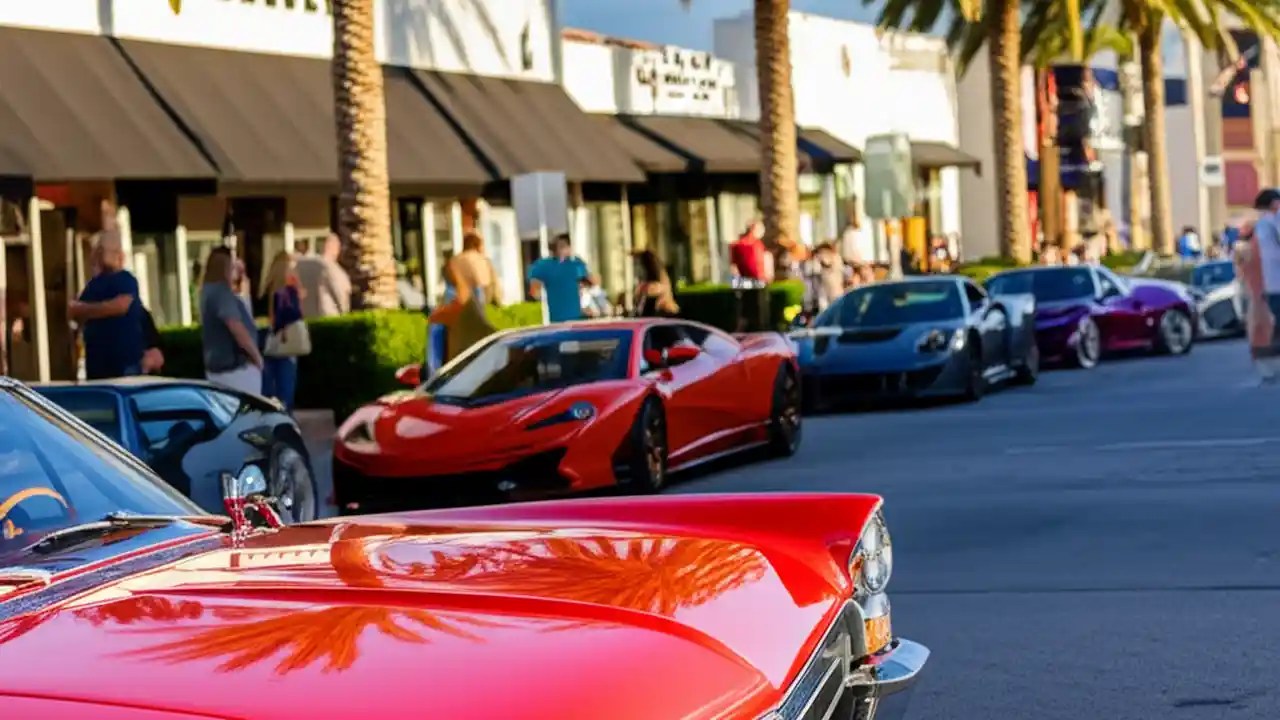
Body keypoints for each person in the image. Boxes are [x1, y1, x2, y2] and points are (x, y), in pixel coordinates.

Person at [67, 231, 146, 380]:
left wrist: (87, 309)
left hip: (124, 361)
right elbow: (74, 312)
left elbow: (120, 306)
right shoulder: (94, 285)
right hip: (98, 363)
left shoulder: (126, 279)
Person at [200, 247, 264, 394]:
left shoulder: (207, 291)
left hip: (218, 369)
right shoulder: (221, 293)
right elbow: (235, 325)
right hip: (235, 370)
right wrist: (256, 356)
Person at [431, 233, 498, 364]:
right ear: (476, 245)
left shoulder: (455, 261)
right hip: (476, 299)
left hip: (460, 300)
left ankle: (435, 369)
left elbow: (450, 281)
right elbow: (493, 288)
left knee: (437, 329)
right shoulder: (483, 261)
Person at [260, 251, 306, 411]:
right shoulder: (289, 291)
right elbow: (294, 315)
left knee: (268, 393)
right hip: (286, 345)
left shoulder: (266, 291)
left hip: (268, 344)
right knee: (286, 393)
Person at [1232, 220, 1274, 381]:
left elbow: (1239, 270)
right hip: (1259, 292)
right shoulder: (1259, 247)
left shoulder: (1245, 248)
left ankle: (1265, 364)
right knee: (1263, 326)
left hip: (1254, 293)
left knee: (1258, 327)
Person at [528, 234, 588, 323]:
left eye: (564, 246)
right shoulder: (544, 265)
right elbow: (534, 289)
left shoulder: (576, 263)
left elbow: (589, 282)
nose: (562, 249)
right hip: (558, 319)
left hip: (577, 316)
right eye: (559, 246)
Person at [295, 233, 352, 318]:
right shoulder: (332, 269)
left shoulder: (300, 265)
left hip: (302, 319)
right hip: (326, 319)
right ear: (333, 248)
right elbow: (341, 296)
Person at [632, 250, 679, 318]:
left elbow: (642, 312)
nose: (636, 270)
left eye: (637, 265)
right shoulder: (662, 282)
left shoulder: (652, 288)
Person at [730, 219, 770, 285]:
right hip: (754, 280)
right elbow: (759, 264)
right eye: (760, 230)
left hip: (746, 280)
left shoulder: (736, 245)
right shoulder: (756, 245)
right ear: (753, 229)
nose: (762, 233)